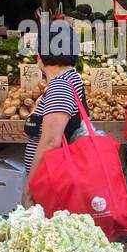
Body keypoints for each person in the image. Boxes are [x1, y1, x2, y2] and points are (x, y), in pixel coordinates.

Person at [21, 19, 88, 204]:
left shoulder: (60, 86)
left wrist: (29, 191)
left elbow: (50, 143)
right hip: (60, 180)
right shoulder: (70, 78)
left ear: (40, 55)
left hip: (54, 184)